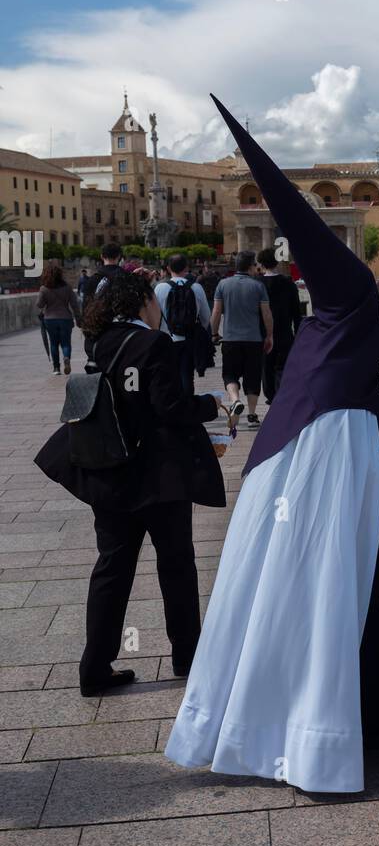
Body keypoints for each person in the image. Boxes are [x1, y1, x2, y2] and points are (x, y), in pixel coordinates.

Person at [165, 95, 379, 793]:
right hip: (338, 477)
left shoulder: (320, 341)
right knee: (336, 591)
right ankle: (321, 732)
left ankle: (259, 722)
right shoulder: (350, 337)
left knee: (280, 597)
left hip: (287, 478)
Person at [33, 271, 227, 696]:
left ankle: (95, 667)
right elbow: (168, 407)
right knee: (176, 564)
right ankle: (186, 656)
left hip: (110, 472)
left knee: (112, 569)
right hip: (158, 477)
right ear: (144, 302)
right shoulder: (153, 343)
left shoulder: (98, 342)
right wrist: (210, 406)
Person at [211, 251, 273, 426]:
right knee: (253, 377)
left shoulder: (223, 284)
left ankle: (235, 400)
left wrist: (214, 333)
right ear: (250, 266)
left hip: (230, 338)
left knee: (230, 374)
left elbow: (216, 312)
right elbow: (266, 314)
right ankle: (252, 415)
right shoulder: (258, 286)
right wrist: (269, 335)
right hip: (254, 339)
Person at [154, 253, 212, 396]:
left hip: (166, 338)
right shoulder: (196, 287)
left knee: (169, 375)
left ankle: (173, 406)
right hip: (189, 338)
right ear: (186, 267)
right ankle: (187, 407)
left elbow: (154, 317)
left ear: (168, 268)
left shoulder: (160, 288)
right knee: (187, 375)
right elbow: (206, 317)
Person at [256, 248, 304, 404]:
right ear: (276, 262)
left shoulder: (257, 284)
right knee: (282, 367)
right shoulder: (288, 283)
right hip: (284, 333)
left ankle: (271, 397)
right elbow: (297, 312)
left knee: (266, 367)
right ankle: (282, 395)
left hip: (263, 333)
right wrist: (298, 333)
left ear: (261, 264)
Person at [80, 242, 124, 359]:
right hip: (124, 333)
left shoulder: (93, 280)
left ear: (101, 256)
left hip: (99, 332)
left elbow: (86, 308)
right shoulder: (128, 278)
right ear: (119, 256)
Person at [36, 263, 81, 375]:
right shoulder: (67, 287)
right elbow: (75, 304)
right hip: (65, 318)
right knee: (66, 343)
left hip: (50, 319)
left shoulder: (44, 288)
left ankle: (56, 368)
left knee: (54, 343)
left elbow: (39, 305)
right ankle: (66, 358)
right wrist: (79, 319)